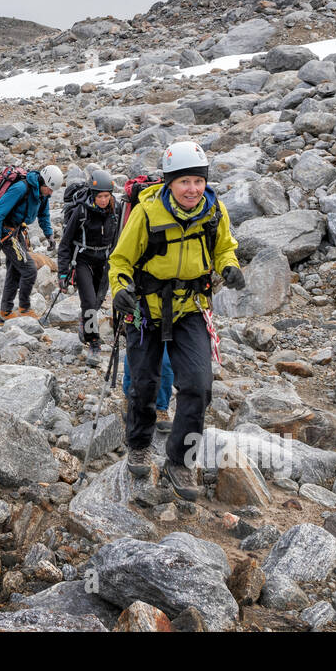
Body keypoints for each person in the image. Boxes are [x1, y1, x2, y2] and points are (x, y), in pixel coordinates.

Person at [108, 142, 244, 498]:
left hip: (190, 307)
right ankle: (138, 442)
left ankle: (180, 462)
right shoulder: (147, 213)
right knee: (144, 384)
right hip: (145, 308)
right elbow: (120, 260)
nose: (193, 189)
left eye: (198, 181)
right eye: (185, 181)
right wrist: (120, 288)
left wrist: (230, 266)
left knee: (199, 387)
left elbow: (225, 247)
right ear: (170, 183)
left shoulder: (214, 211)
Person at [57, 168, 120, 355]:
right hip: (83, 260)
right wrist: (62, 272)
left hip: (105, 260)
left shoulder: (116, 210)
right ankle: (93, 342)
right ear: (93, 195)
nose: (103, 200)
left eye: (106, 196)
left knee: (98, 301)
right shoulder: (81, 211)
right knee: (90, 302)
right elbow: (66, 243)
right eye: (99, 196)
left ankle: (85, 323)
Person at [0, 164, 62, 321]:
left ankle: (6, 312)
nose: (50, 193)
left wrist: (49, 235)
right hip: (6, 233)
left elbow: (44, 215)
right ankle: (24, 308)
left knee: (15, 271)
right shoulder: (21, 189)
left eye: (52, 191)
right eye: (49, 189)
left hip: (16, 230)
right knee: (29, 269)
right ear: (43, 182)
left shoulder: (43, 194)